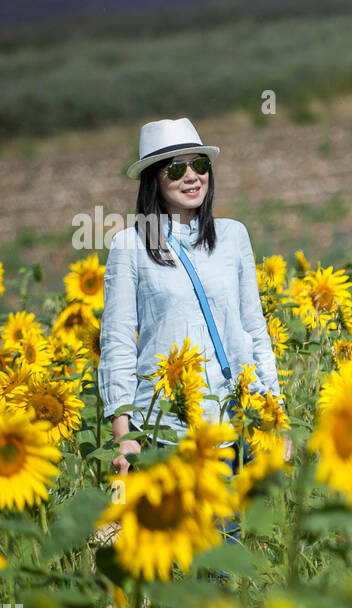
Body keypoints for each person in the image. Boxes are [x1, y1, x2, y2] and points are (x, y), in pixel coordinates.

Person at [98, 118, 291, 568]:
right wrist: (124, 437)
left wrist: (276, 411)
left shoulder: (233, 237)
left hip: (236, 421)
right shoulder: (130, 246)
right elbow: (119, 344)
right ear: (154, 179)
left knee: (230, 556)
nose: (191, 175)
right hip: (167, 429)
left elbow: (253, 328)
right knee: (174, 560)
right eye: (175, 168)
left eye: (199, 163)